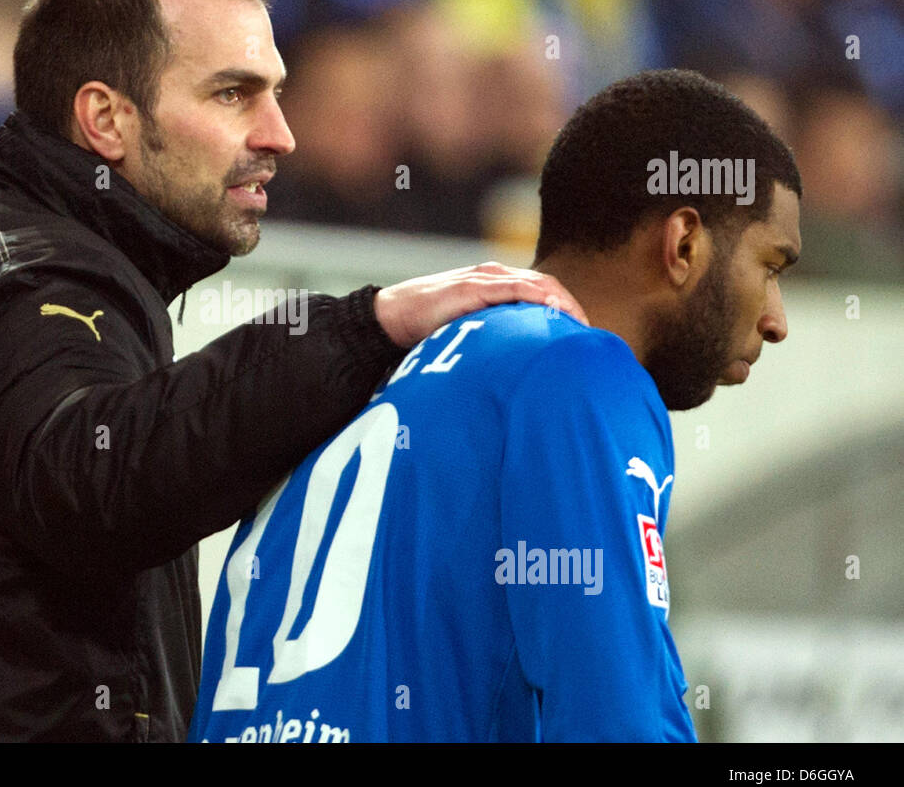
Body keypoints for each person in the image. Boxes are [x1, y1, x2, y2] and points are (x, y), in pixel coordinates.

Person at [0, 0, 586, 742]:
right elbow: (101, 474)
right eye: (234, 92)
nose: (279, 134)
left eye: (276, 92)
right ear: (108, 120)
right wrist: (365, 329)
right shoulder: (40, 280)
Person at [189, 69, 802, 743]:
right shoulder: (581, 371)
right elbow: (617, 719)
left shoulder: (365, 376)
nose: (775, 319)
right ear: (683, 243)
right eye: (771, 266)